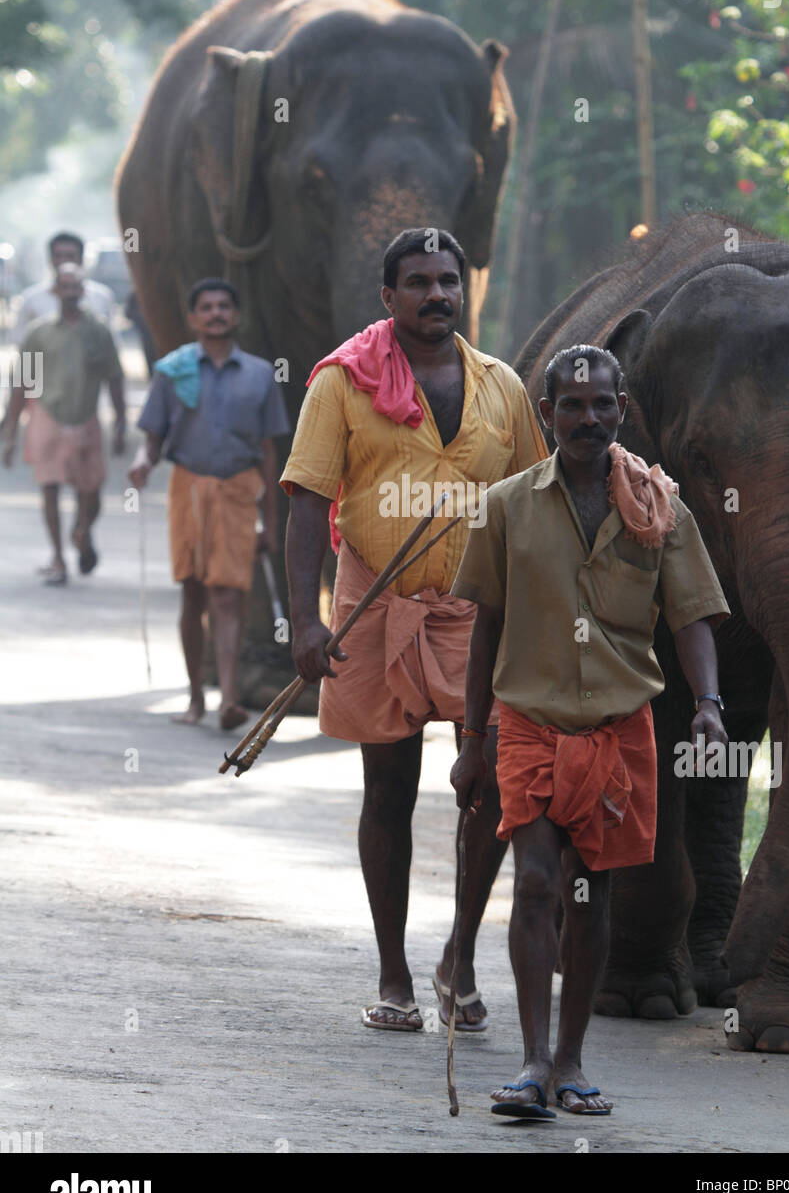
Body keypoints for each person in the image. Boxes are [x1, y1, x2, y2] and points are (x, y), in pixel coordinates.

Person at [449, 344, 730, 1118]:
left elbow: (693, 615)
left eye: (601, 404)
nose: (587, 418)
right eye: (570, 406)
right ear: (546, 415)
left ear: (621, 409)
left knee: (587, 893)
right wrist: (473, 740)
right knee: (535, 880)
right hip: (530, 726)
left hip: (616, 732)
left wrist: (709, 703)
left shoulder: (657, 506)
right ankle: (533, 1062)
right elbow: (485, 627)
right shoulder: (506, 504)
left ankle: (572, 1061)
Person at [282, 227, 549, 1033]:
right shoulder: (340, 383)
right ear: (388, 296)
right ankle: (394, 974)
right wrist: (305, 619)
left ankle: (459, 957)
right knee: (387, 788)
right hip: (376, 599)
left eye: (449, 280)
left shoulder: (502, 387)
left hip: (478, 611)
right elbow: (304, 503)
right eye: (419, 281)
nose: (438, 293)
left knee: (492, 786)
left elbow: (536, 503)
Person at [129, 278, 290, 731]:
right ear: (193, 318)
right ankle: (197, 696)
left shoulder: (261, 375)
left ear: (235, 316)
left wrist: (270, 523)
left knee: (227, 593)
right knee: (193, 592)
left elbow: (267, 452)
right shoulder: (172, 370)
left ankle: (230, 700)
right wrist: (142, 464)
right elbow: (152, 440)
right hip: (188, 489)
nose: (216, 313)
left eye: (224, 306)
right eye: (206, 307)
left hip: (239, 491)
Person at [2, 264, 126, 585]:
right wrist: (10, 432)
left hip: (85, 419)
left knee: (91, 491)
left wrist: (122, 422)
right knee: (50, 489)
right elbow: (24, 383)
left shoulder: (98, 331)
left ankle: (82, 531)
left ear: (83, 291)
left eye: (76, 287)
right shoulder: (39, 332)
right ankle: (58, 557)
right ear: (55, 292)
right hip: (47, 416)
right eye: (64, 287)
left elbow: (114, 378)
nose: (71, 293)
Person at [12, 232, 115, 342]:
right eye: (58, 256)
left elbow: (109, 347)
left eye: (70, 256)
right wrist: (38, 358)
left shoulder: (101, 298)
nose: (64, 261)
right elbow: (24, 346)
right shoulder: (32, 300)